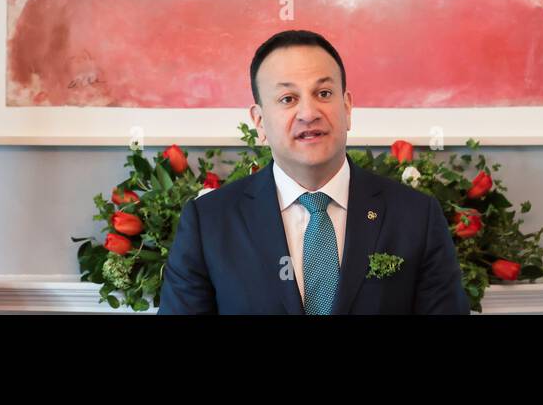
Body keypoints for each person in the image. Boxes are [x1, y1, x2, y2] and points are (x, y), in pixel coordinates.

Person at [158, 29, 470, 314]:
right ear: (259, 122)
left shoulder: (416, 216)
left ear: (347, 108)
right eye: (287, 99)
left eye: (323, 94)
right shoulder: (209, 223)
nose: (308, 113)